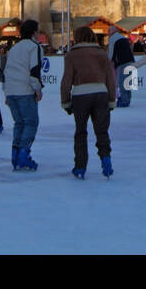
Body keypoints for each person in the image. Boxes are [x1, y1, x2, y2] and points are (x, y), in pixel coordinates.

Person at [60, 26, 116, 179]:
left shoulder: (72, 55)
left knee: (81, 132)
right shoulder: (101, 53)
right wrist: (112, 99)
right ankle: (106, 160)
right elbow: (110, 78)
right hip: (100, 94)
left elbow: (67, 80)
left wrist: (65, 101)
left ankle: (80, 167)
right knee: (102, 131)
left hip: (80, 95)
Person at [3, 19, 44, 171]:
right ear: (34, 32)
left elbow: (6, 70)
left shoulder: (14, 49)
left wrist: (7, 92)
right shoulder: (34, 47)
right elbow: (34, 69)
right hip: (25, 91)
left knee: (19, 123)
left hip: (11, 91)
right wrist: (37, 88)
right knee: (31, 122)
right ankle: (23, 153)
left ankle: (15, 154)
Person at [108, 27, 136, 108]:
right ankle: (127, 99)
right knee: (127, 81)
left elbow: (111, 51)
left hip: (123, 62)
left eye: (109, 31)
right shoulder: (123, 38)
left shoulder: (113, 38)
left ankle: (124, 101)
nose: (108, 33)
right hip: (130, 61)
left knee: (122, 82)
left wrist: (109, 61)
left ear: (113, 31)